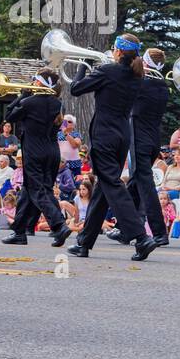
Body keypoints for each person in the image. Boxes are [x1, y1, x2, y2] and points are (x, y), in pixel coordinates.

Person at [67, 34, 159, 261]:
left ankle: (140, 236)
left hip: (104, 136)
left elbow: (76, 89)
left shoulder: (109, 72)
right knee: (102, 190)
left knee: (112, 186)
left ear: (118, 51)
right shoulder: (138, 75)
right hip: (122, 137)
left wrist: (83, 65)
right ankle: (84, 243)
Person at [2, 68, 71, 245]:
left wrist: (22, 96)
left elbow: (9, 116)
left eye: (34, 79)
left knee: (37, 190)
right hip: (52, 152)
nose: (32, 82)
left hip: (34, 151)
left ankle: (58, 225)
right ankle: (19, 232)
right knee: (32, 190)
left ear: (40, 83)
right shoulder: (57, 104)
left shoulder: (29, 102)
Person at [123, 47, 170, 246]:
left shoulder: (140, 83)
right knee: (134, 182)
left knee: (145, 184)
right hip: (153, 139)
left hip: (139, 138)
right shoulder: (163, 86)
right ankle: (125, 229)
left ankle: (159, 232)